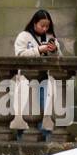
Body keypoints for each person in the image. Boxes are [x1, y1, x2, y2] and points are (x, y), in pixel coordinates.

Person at [13, 9, 62, 140]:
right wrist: (38, 50)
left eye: (47, 26)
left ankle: (45, 140)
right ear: (34, 23)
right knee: (26, 112)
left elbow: (60, 59)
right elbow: (20, 55)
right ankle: (22, 140)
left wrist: (54, 50)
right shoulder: (24, 36)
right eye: (42, 26)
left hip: (46, 82)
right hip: (28, 81)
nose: (45, 29)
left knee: (46, 112)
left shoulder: (52, 38)